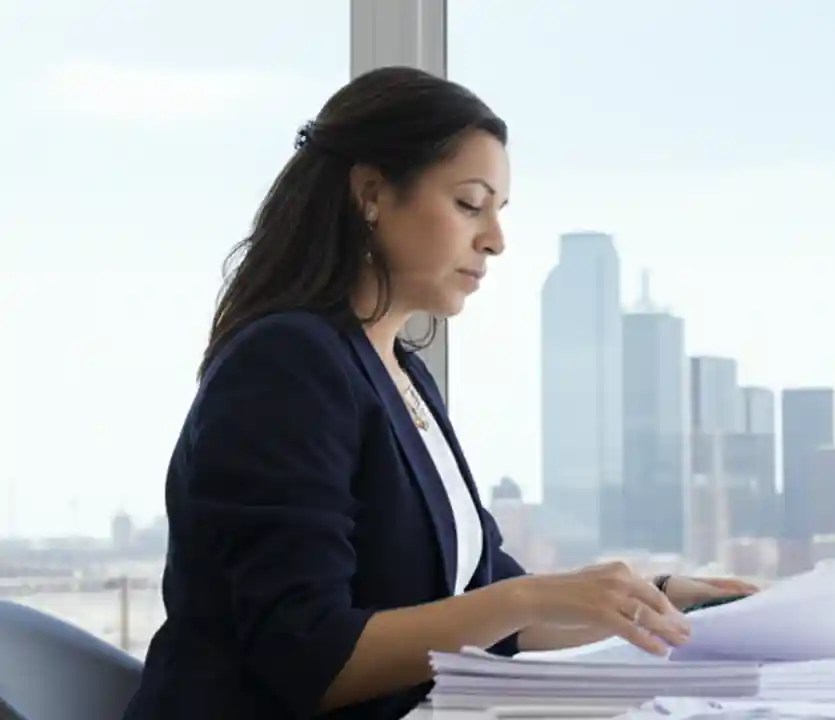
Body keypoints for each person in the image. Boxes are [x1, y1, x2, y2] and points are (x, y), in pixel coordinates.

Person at [121, 66, 756, 719]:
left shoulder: (400, 372)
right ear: (371, 194)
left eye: (498, 212)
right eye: (468, 204)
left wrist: (656, 597)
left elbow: (487, 603)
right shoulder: (288, 362)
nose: (496, 240)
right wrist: (530, 600)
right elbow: (308, 655)